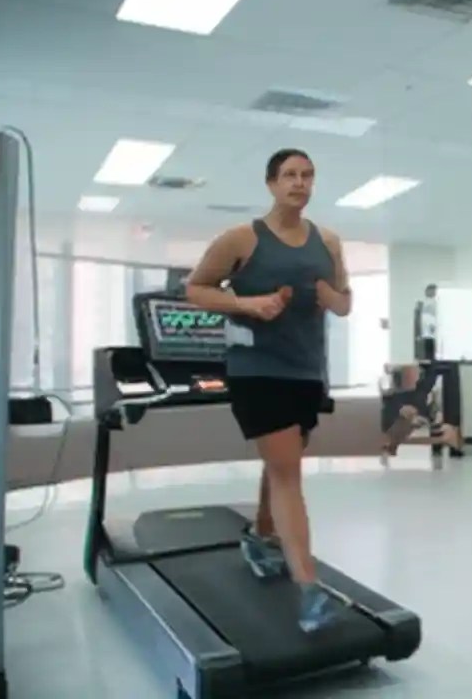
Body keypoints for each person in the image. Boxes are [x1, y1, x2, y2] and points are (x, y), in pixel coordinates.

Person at [185, 147, 352, 633]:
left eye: (307, 175)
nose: (299, 183)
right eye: (289, 175)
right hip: (257, 369)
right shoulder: (241, 238)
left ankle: (260, 536)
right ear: (271, 184)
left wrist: (330, 298)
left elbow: (344, 302)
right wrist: (250, 304)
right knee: (288, 476)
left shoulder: (329, 241)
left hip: (305, 369)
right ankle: (309, 590)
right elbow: (195, 289)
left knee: (284, 461)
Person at [379, 362, 462, 461]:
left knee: (418, 397)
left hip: (402, 404)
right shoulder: (397, 429)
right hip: (409, 405)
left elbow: (388, 400)